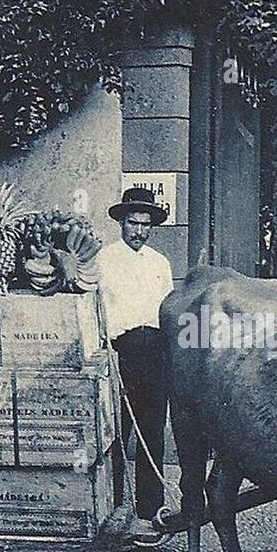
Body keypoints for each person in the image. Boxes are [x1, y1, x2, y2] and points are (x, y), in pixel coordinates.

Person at [99, 187, 173, 526]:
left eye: (145, 225)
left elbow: (168, 311)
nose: (139, 231)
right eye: (133, 223)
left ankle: (151, 508)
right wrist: (108, 352)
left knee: (152, 431)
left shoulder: (160, 263)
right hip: (121, 351)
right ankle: (112, 505)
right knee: (117, 432)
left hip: (156, 350)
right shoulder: (105, 259)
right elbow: (98, 311)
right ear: (122, 223)